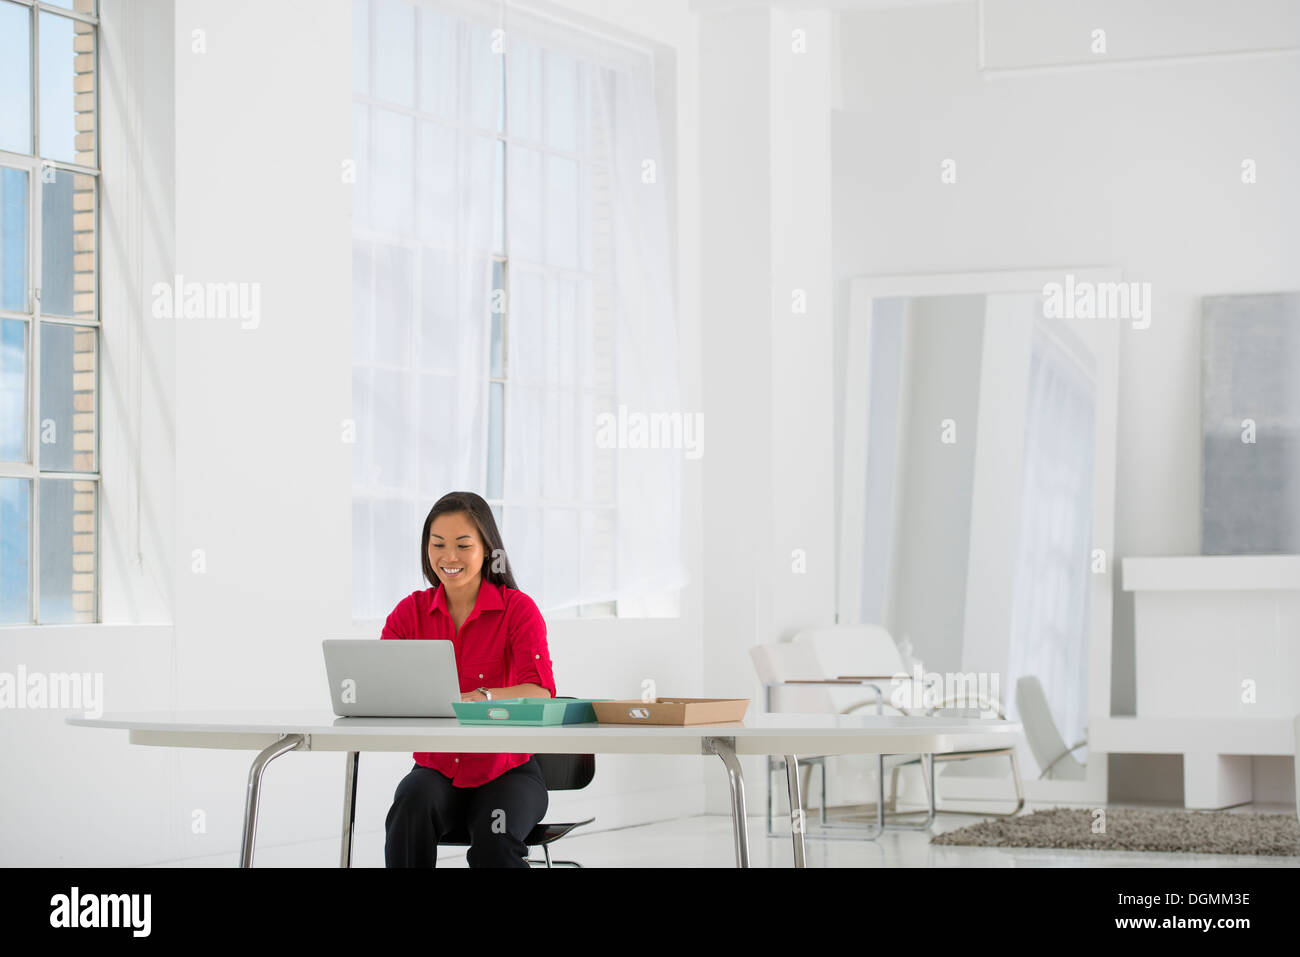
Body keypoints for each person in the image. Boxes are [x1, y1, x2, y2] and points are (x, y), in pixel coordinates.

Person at [382, 491, 556, 867]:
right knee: (410, 806)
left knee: (495, 838)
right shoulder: (409, 614)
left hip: (507, 772)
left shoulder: (517, 610)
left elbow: (541, 692)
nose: (450, 557)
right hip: (437, 770)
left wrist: (483, 696)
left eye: (463, 545)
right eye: (438, 544)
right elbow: (384, 684)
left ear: (488, 549)